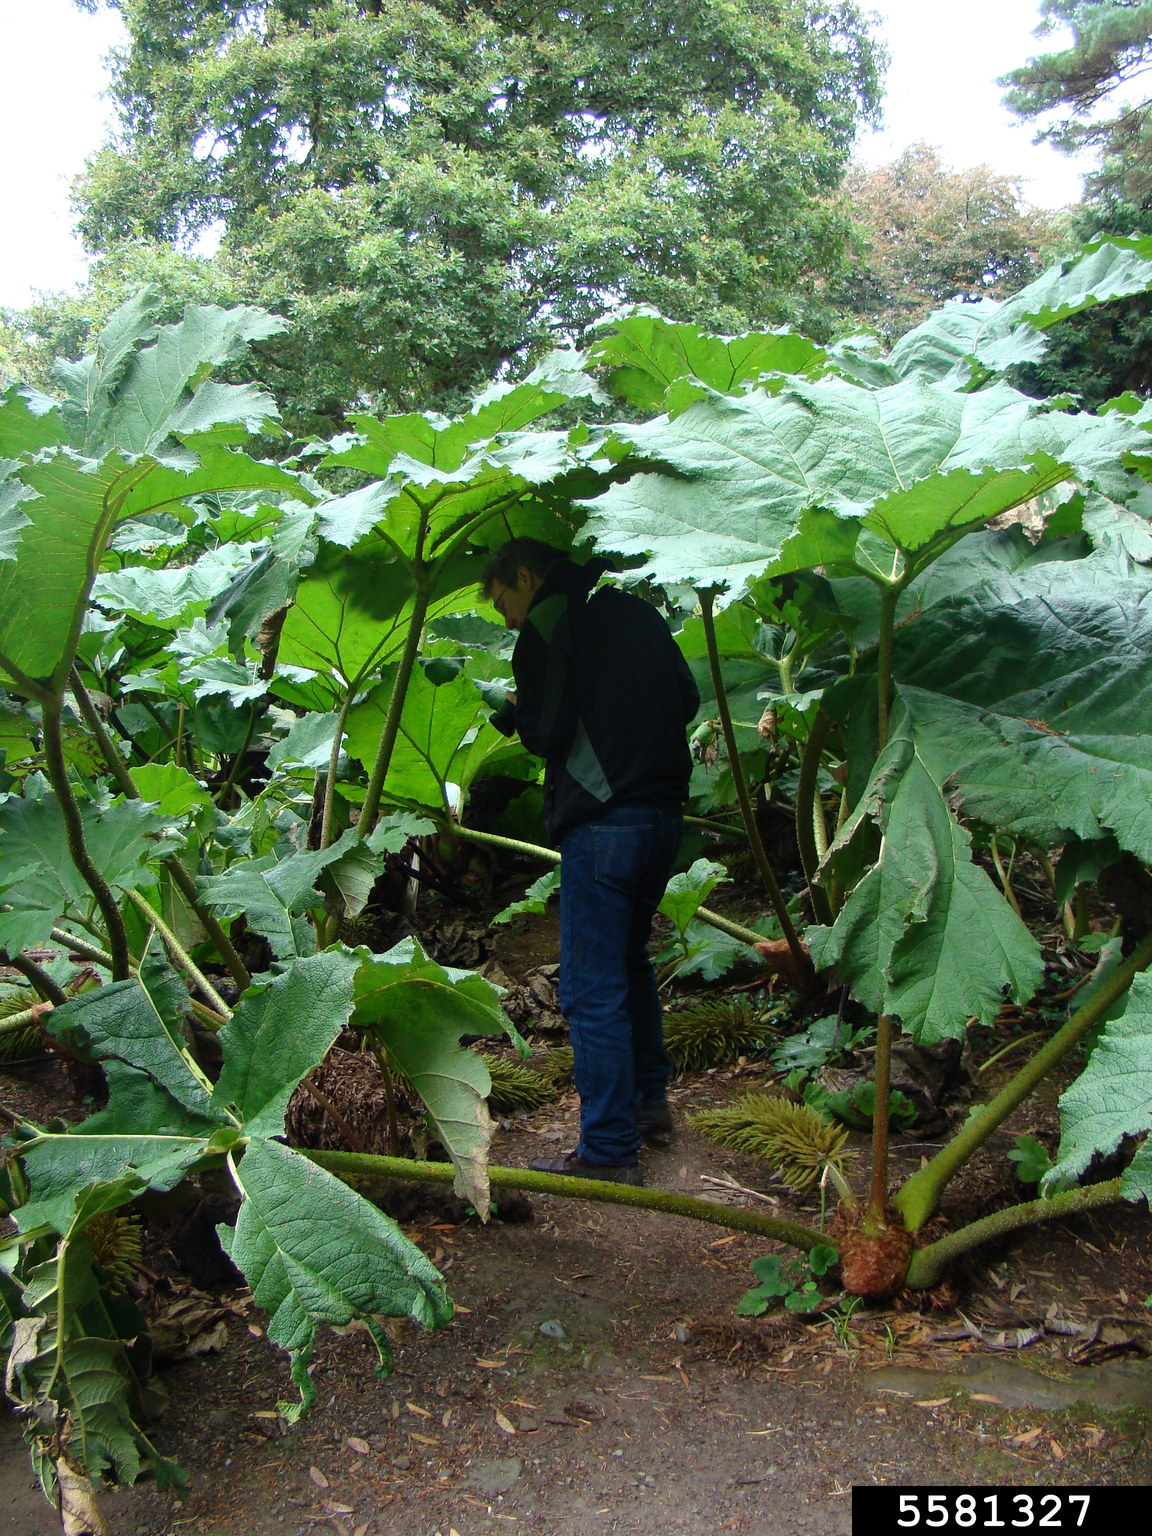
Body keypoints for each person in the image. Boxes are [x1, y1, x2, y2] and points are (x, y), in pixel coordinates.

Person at [482, 538, 700, 1184]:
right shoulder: (634, 611)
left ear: (527, 576)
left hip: (603, 823)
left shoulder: (548, 628)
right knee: (630, 964)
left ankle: (608, 1149)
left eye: (504, 602)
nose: (508, 620)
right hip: (662, 817)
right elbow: (685, 698)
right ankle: (647, 1107)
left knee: (588, 987)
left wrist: (519, 714)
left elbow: (549, 733)